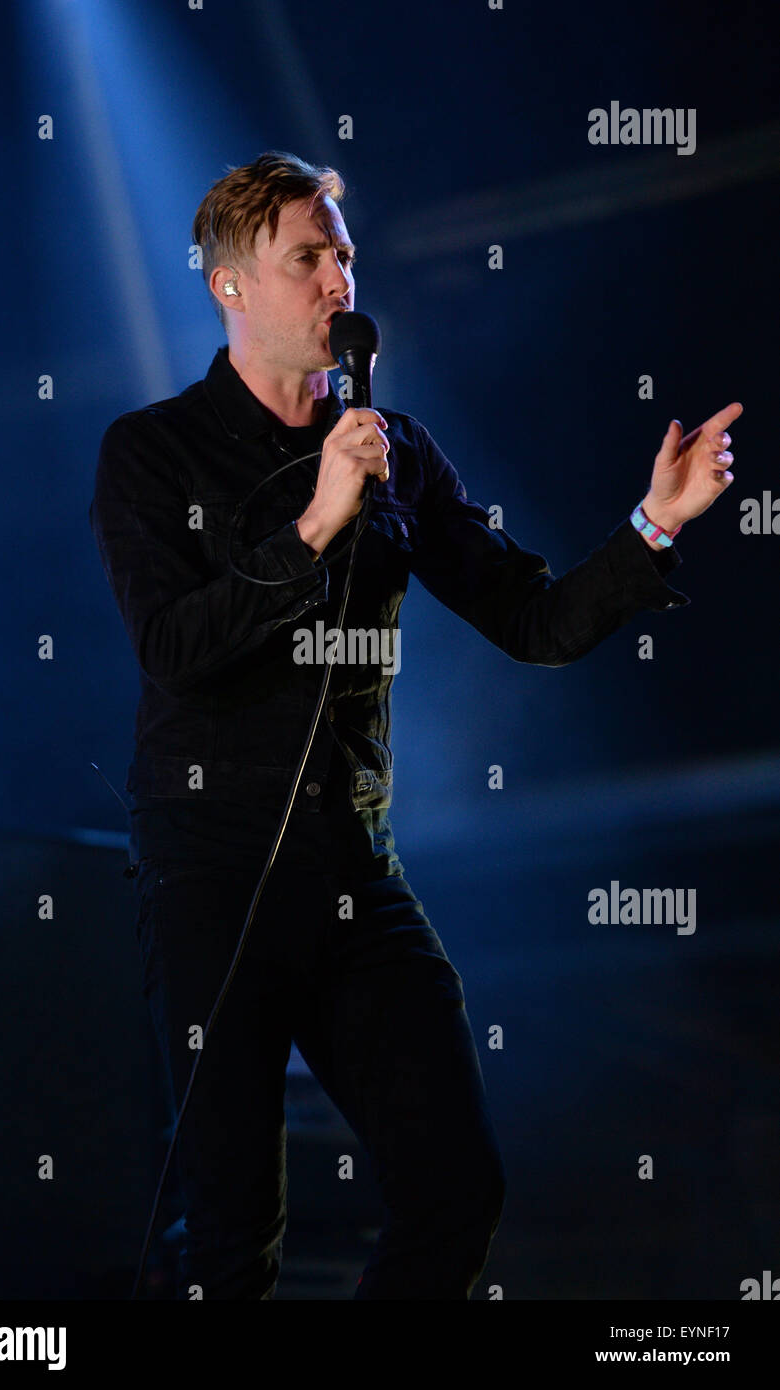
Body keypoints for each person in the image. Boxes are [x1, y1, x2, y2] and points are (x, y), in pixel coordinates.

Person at [89, 150, 741, 1300]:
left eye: (343, 250)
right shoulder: (152, 451)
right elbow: (175, 648)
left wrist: (652, 524)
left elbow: (531, 618)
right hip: (213, 867)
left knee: (455, 1188)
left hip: (353, 865)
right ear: (230, 283)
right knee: (228, 1228)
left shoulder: (396, 446)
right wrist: (313, 523)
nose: (339, 275)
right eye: (308, 255)